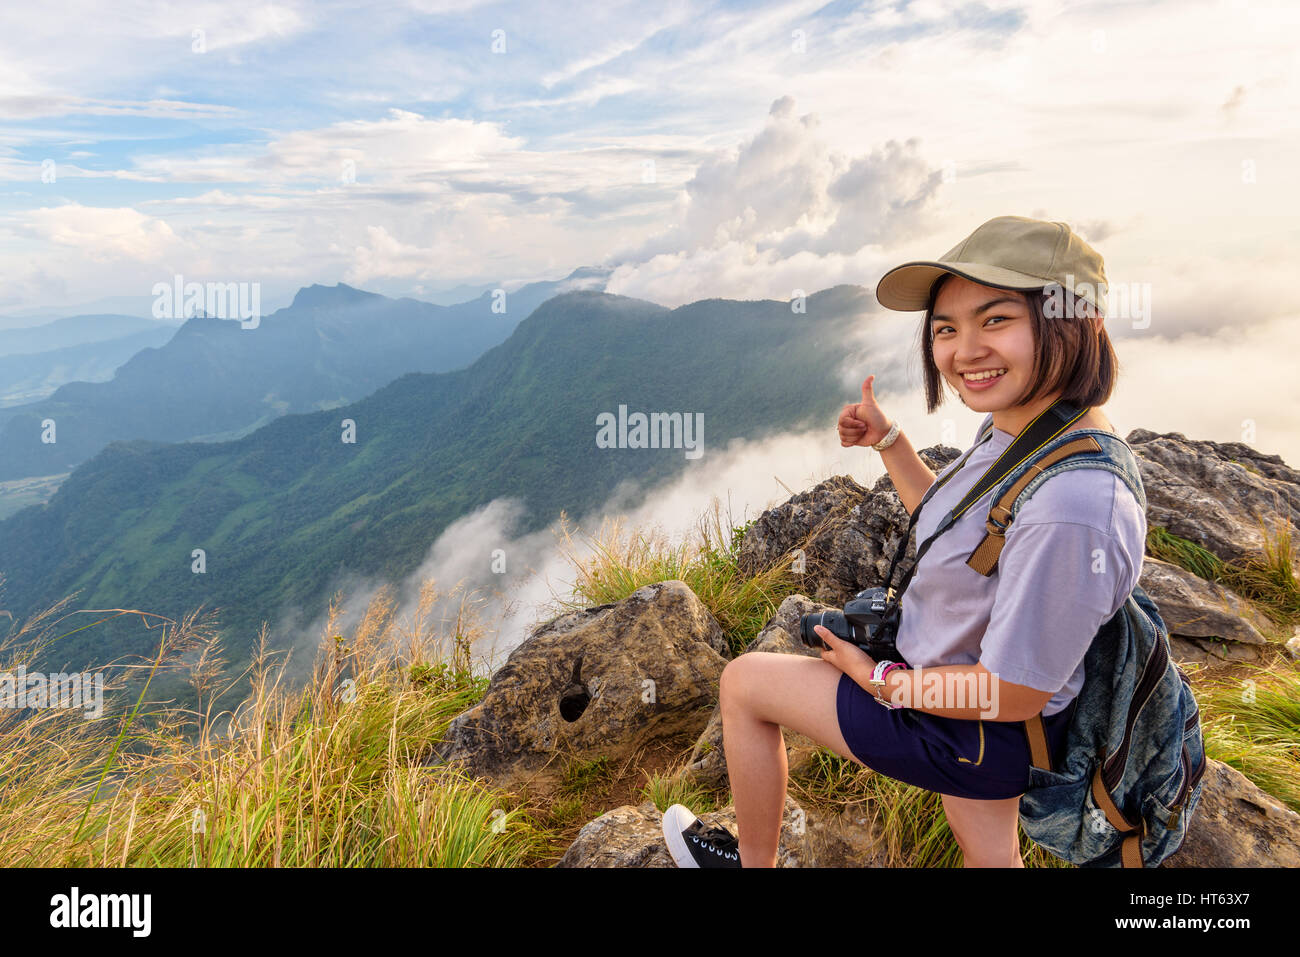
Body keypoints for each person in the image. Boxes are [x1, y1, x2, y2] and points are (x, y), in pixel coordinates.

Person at [662, 215, 1147, 868]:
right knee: (989, 850)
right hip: (994, 735)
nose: (962, 350)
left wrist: (885, 679)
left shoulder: (1076, 502)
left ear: (1070, 319)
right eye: (946, 328)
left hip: (971, 732)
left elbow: (1015, 690)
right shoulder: (1032, 429)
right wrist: (889, 442)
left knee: (747, 685)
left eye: (995, 319)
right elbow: (963, 526)